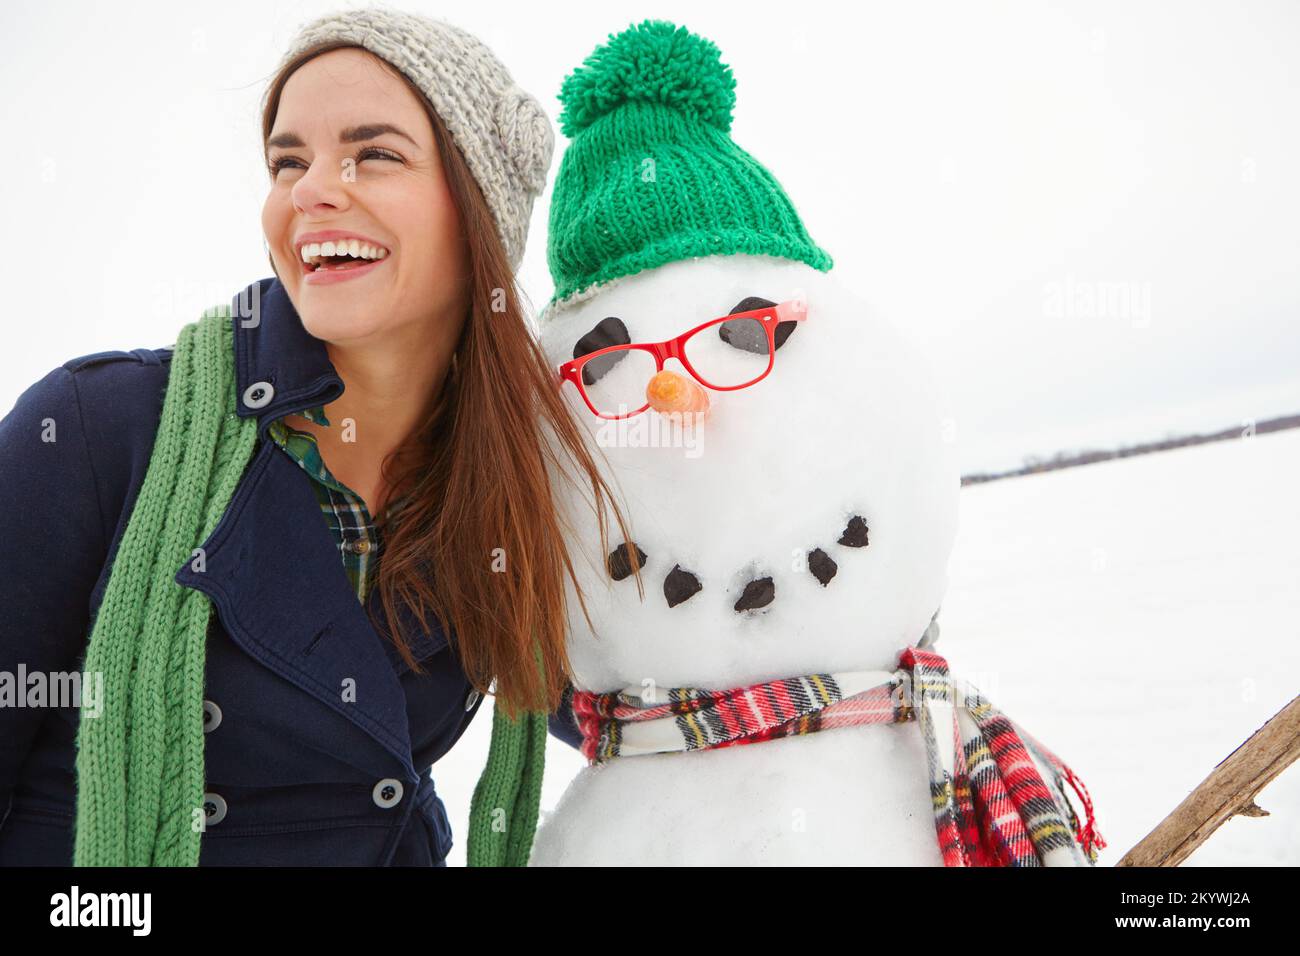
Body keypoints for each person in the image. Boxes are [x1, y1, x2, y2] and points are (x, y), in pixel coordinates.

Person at [0, 8, 636, 866]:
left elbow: (640, 709)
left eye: (373, 154)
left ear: (478, 207)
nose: (309, 190)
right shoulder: (96, 429)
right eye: (287, 161)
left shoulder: (516, 475)